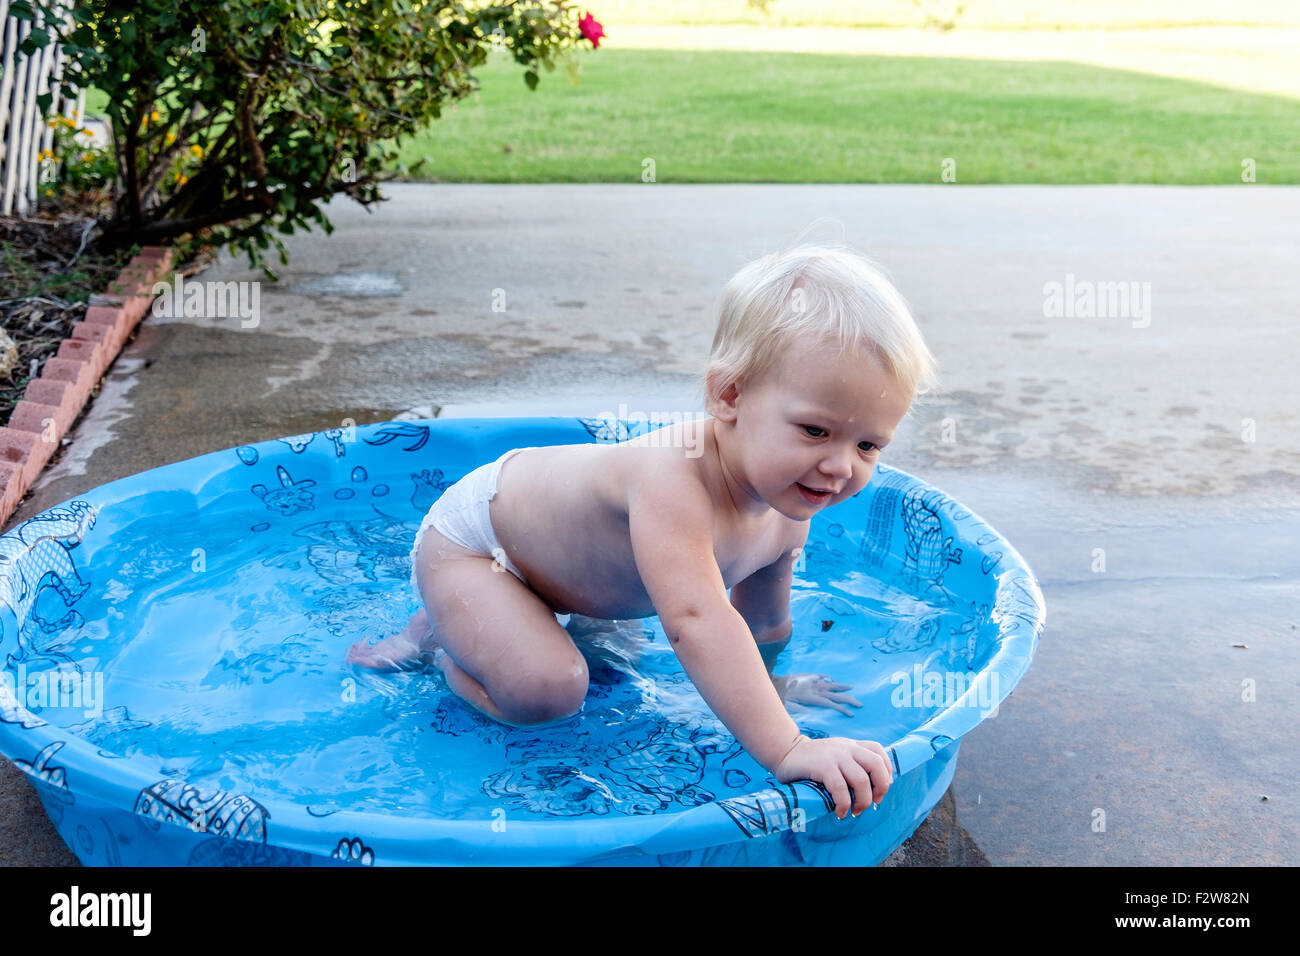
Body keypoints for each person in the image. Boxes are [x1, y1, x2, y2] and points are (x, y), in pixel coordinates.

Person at [348, 243, 940, 820]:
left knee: (614, 658)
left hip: (562, 564)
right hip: (478, 544)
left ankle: (479, 620)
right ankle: (443, 643)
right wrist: (788, 748)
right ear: (729, 395)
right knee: (548, 690)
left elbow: (761, 625)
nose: (841, 467)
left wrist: (774, 689)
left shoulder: (789, 509)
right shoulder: (674, 478)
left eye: (868, 445)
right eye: (815, 431)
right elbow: (696, 622)